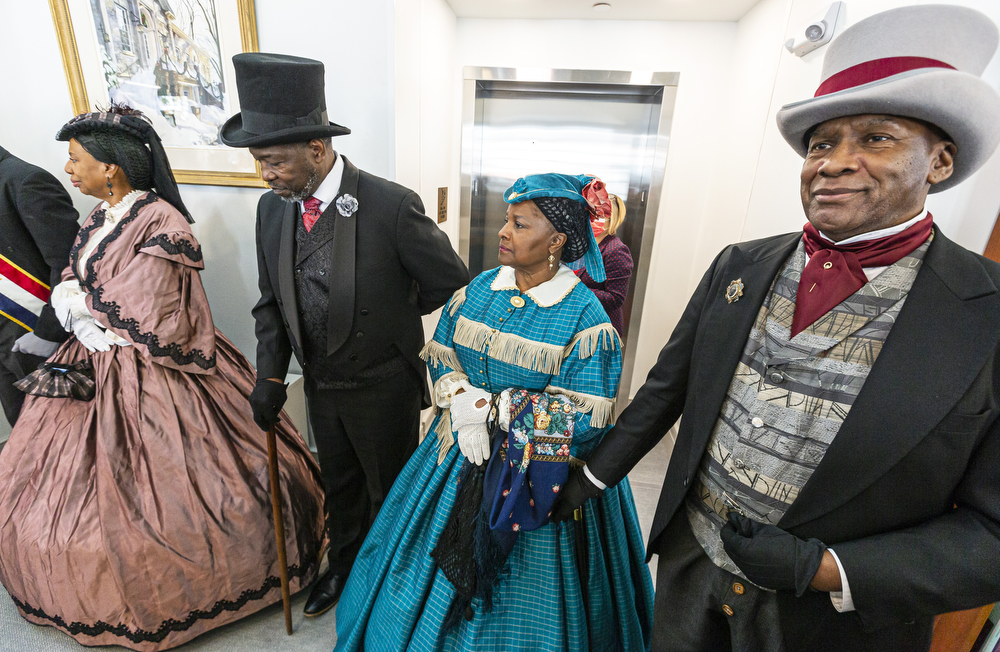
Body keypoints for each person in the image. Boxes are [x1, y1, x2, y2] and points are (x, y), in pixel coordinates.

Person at [552, 6, 1000, 652]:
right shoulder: (740, 266)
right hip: (689, 578)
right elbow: (663, 393)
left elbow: (990, 536)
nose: (835, 162)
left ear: (939, 162)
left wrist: (827, 570)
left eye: (876, 139)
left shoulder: (983, 318)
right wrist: (588, 481)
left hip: (830, 628)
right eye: (821, 143)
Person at [0, 105, 326, 651]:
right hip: (95, 356)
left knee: (197, 491)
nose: (68, 168)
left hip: (158, 367)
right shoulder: (97, 217)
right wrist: (72, 298)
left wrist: (84, 304)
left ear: (112, 167)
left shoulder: (161, 221)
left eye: (77, 159)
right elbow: (73, 274)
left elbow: (155, 306)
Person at [334, 173, 654, 651]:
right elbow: (441, 353)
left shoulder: (586, 318)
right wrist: (459, 397)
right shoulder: (479, 289)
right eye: (506, 221)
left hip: (535, 478)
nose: (503, 232)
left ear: (557, 241)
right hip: (454, 453)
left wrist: (495, 408)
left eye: (520, 225)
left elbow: (584, 423)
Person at [220, 53, 470, 617]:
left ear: (317, 148)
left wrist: (390, 315)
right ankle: (347, 570)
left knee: (392, 495)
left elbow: (452, 285)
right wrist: (269, 374)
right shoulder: (271, 210)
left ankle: (390, 589)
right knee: (340, 488)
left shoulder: (390, 204)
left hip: (385, 385)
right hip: (322, 385)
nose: (266, 175)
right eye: (259, 162)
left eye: (275, 161)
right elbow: (272, 304)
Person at [0, 146, 79, 425]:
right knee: (21, 430)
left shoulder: (25, 180)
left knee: (57, 434)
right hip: (4, 337)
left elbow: (69, 263)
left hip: (34, 333)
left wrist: (49, 332)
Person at [577, 190, 633, 337]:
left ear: (610, 220)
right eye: (589, 215)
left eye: (598, 216)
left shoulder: (616, 250)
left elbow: (615, 298)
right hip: (578, 323)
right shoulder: (584, 244)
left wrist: (573, 288)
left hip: (599, 329)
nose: (590, 220)